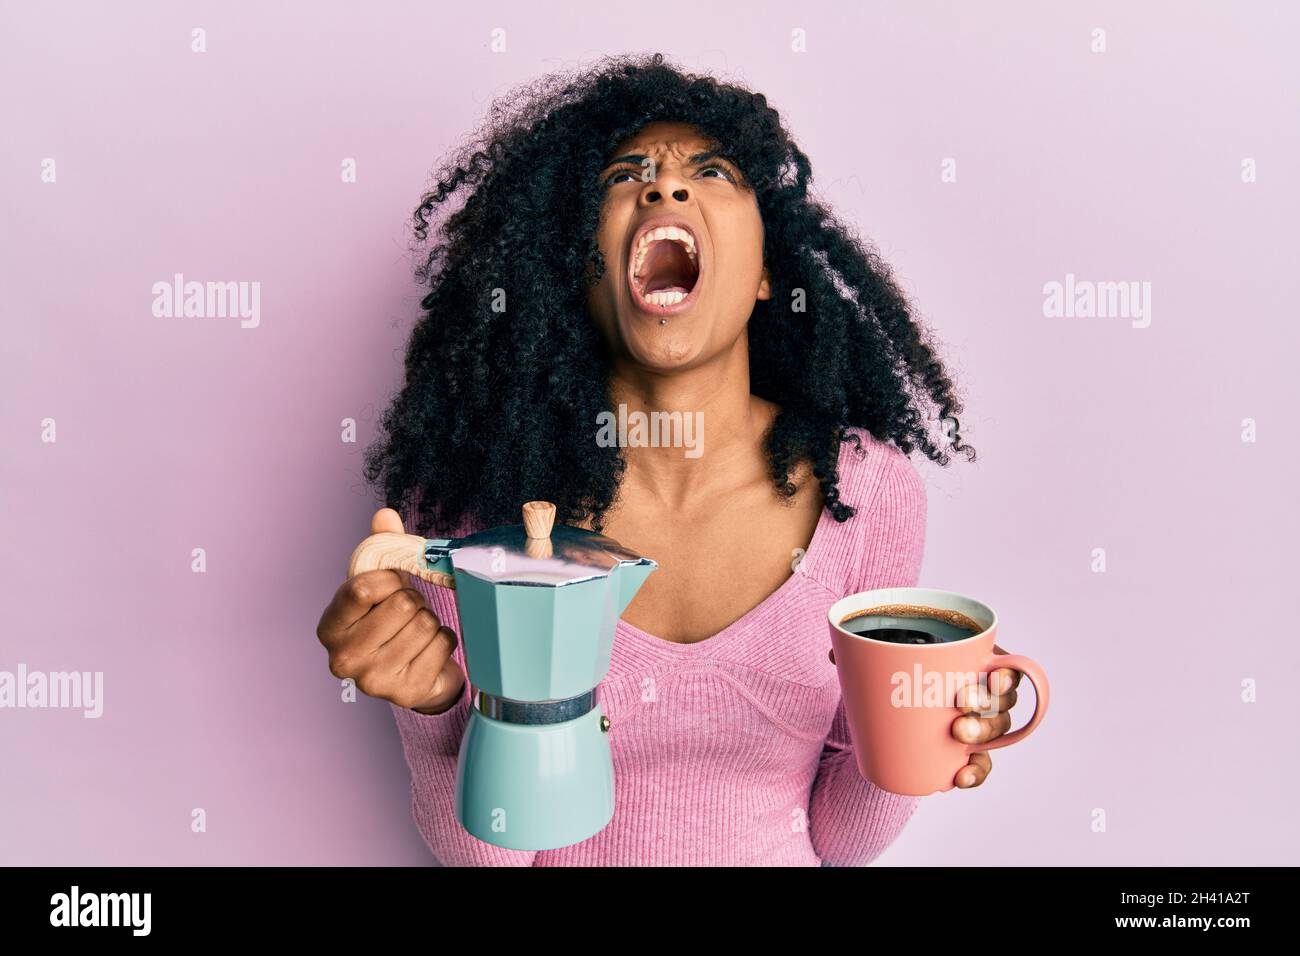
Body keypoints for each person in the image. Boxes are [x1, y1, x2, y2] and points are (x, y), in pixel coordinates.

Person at [315, 53, 1021, 866]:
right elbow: (496, 859)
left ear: (764, 272)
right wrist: (435, 711)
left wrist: (922, 740)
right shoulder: (469, 506)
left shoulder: (864, 491)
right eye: (627, 176)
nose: (663, 190)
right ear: (580, 269)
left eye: (711, 171)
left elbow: (838, 842)